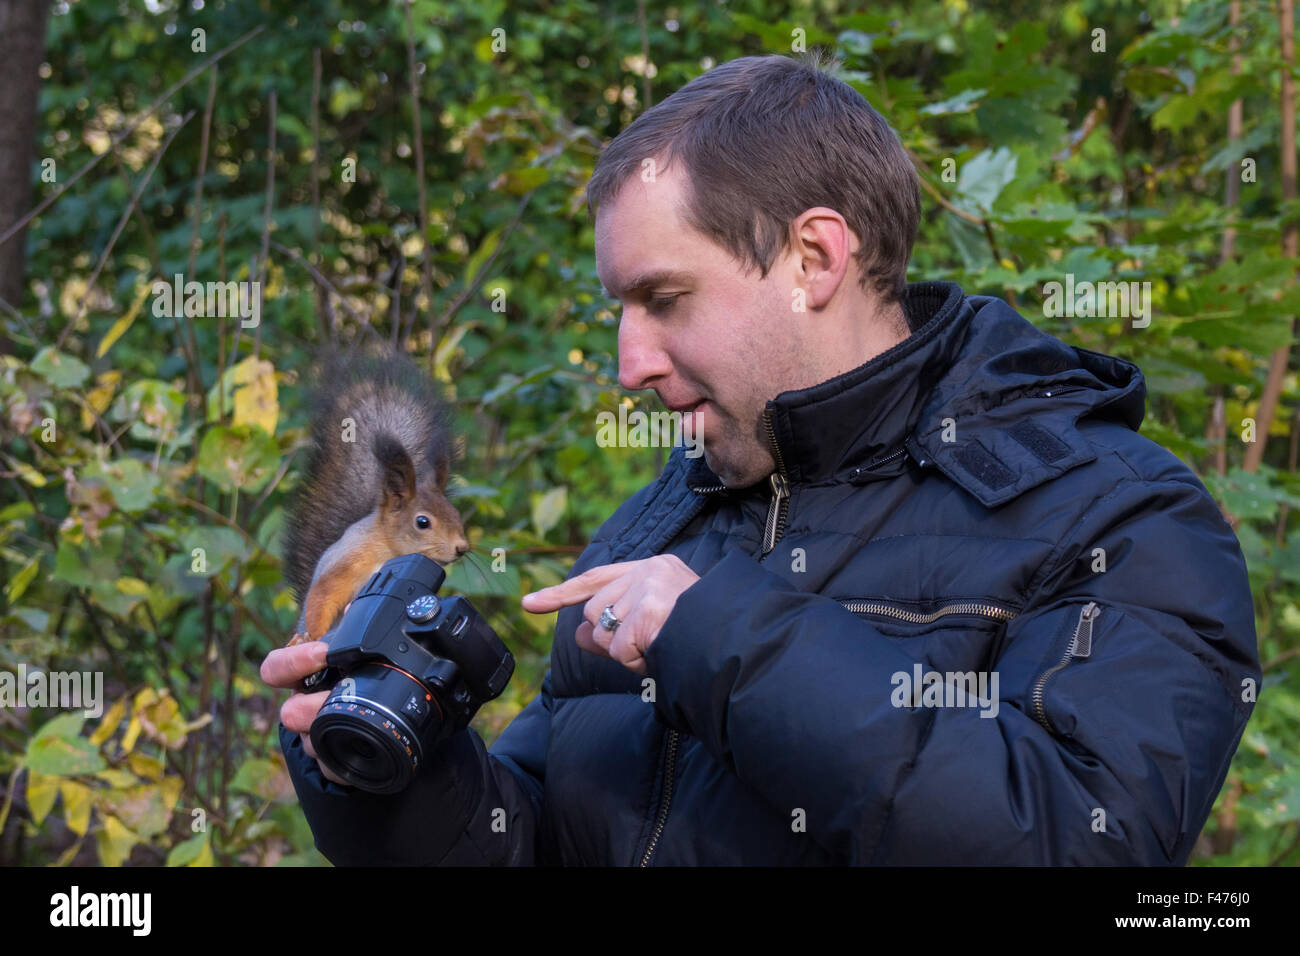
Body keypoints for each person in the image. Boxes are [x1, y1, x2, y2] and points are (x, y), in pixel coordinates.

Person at [263, 53, 1260, 865]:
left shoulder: (1117, 520)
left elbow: (1076, 841)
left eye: (664, 298)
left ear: (813, 261)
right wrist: (386, 765)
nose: (628, 364)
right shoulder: (675, 510)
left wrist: (722, 634)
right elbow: (529, 836)